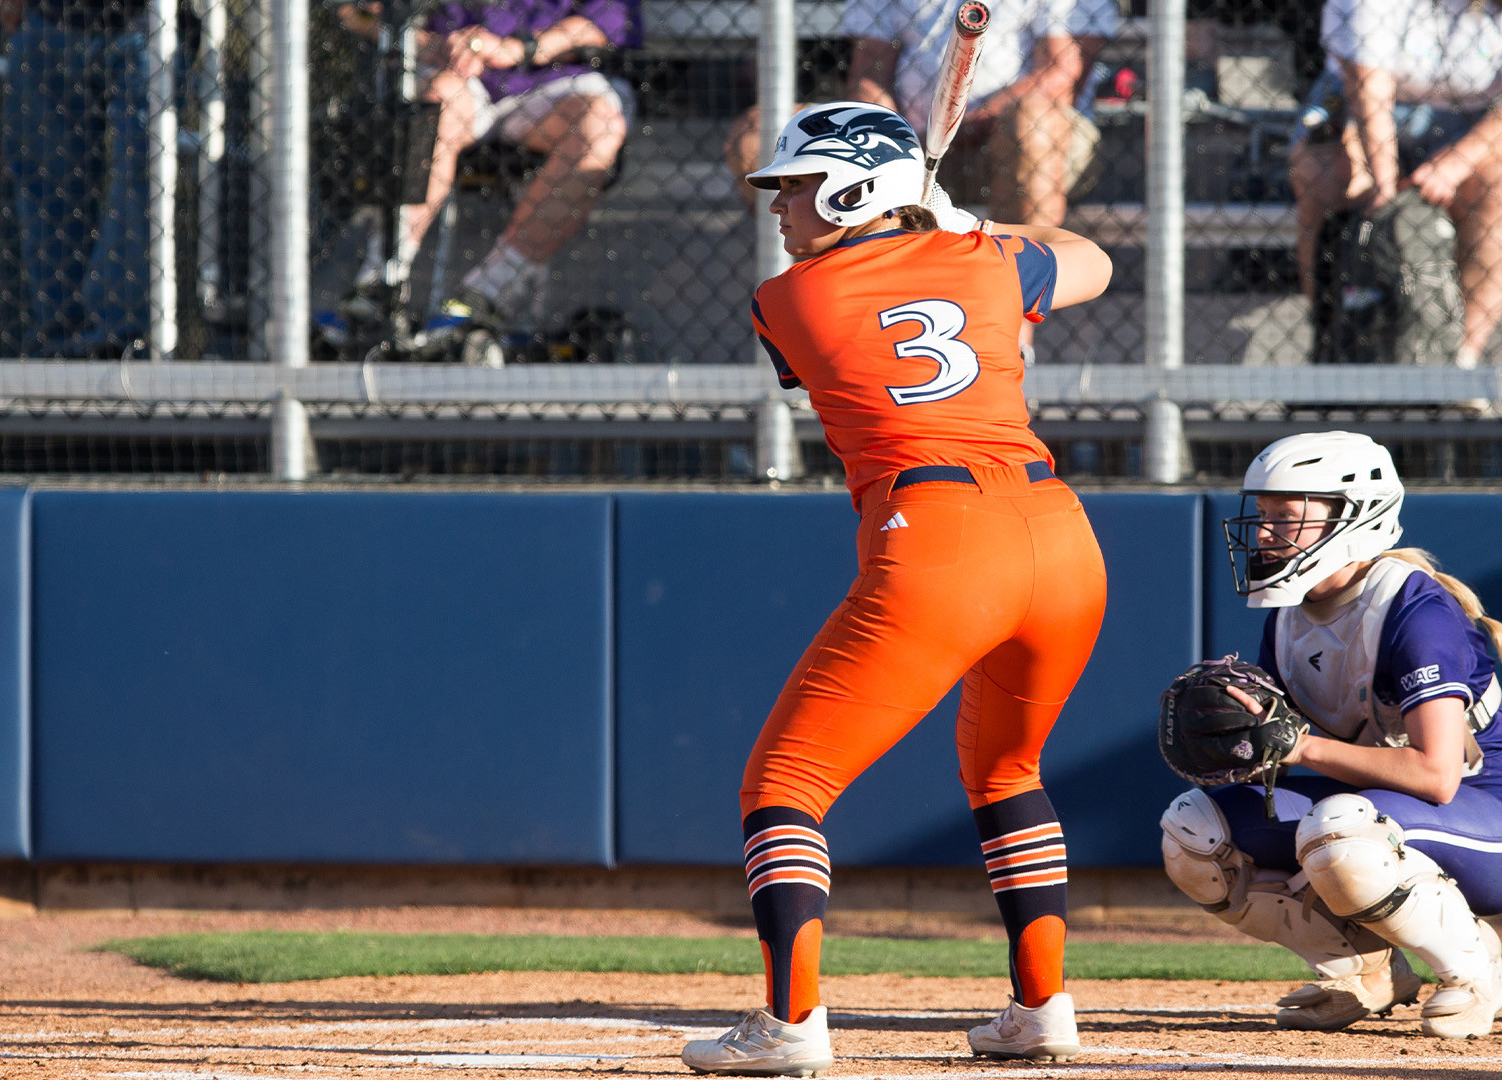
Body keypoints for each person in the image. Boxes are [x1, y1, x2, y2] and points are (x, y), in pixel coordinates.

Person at [679, 101, 1114, 1077]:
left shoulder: (786, 299)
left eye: (797, 187)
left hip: (940, 543)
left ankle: (790, 1024)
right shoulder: (988, 259)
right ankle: (1041, 1007)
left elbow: (883, 298)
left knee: (784, 785)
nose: (779, 207)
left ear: (851, 190)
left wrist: (943, 230)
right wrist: (975, 228)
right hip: (1062, 539)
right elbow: (1090, 260)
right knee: (1008, 773)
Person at [1158, 431, 1502, 1040]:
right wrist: (1243, 745)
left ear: (1355, 516)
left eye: (1286, 517)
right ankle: (1362, 970)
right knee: (1194, 831)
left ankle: (1475, 969)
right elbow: (1285, 755)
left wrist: (1301, 747)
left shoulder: (1414, 609)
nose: (1264, 534)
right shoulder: (1291, 612)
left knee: (1340, 831)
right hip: (1376, 809)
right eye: (1262, 515)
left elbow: (1436, 776)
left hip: (1495, 814)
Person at [722, 0, 1116, 361]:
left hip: (1020, 139)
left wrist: (966, 126)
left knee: (1032, 122)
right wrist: (892, 148)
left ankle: (1014, 337)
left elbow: (1061, 74)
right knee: (755, 137)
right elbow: (869, 73)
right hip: (910, 146)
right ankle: (830, 313)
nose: (778, 204)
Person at [319, 0, 639, 353]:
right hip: (460, 76)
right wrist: (431, 44)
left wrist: (515, 48)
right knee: (436, 101)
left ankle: (488, 293)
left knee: (600, 124)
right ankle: (382, 278)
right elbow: (360, 13)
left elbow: (601, 25)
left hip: (557, 79)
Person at [1291, 0, 1502, 368]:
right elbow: (1367, 89)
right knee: (1322, 172)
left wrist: (1453, 165)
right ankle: (1333, 342)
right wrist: (1385, 194)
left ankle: (1458, 361)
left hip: (1474, 118)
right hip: (1365, 106)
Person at [1, 0, 153, 357]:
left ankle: (115, 335)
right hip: (50, 21)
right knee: (45, 187)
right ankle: (62, 343)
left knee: (141, 169)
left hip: (144, 25)